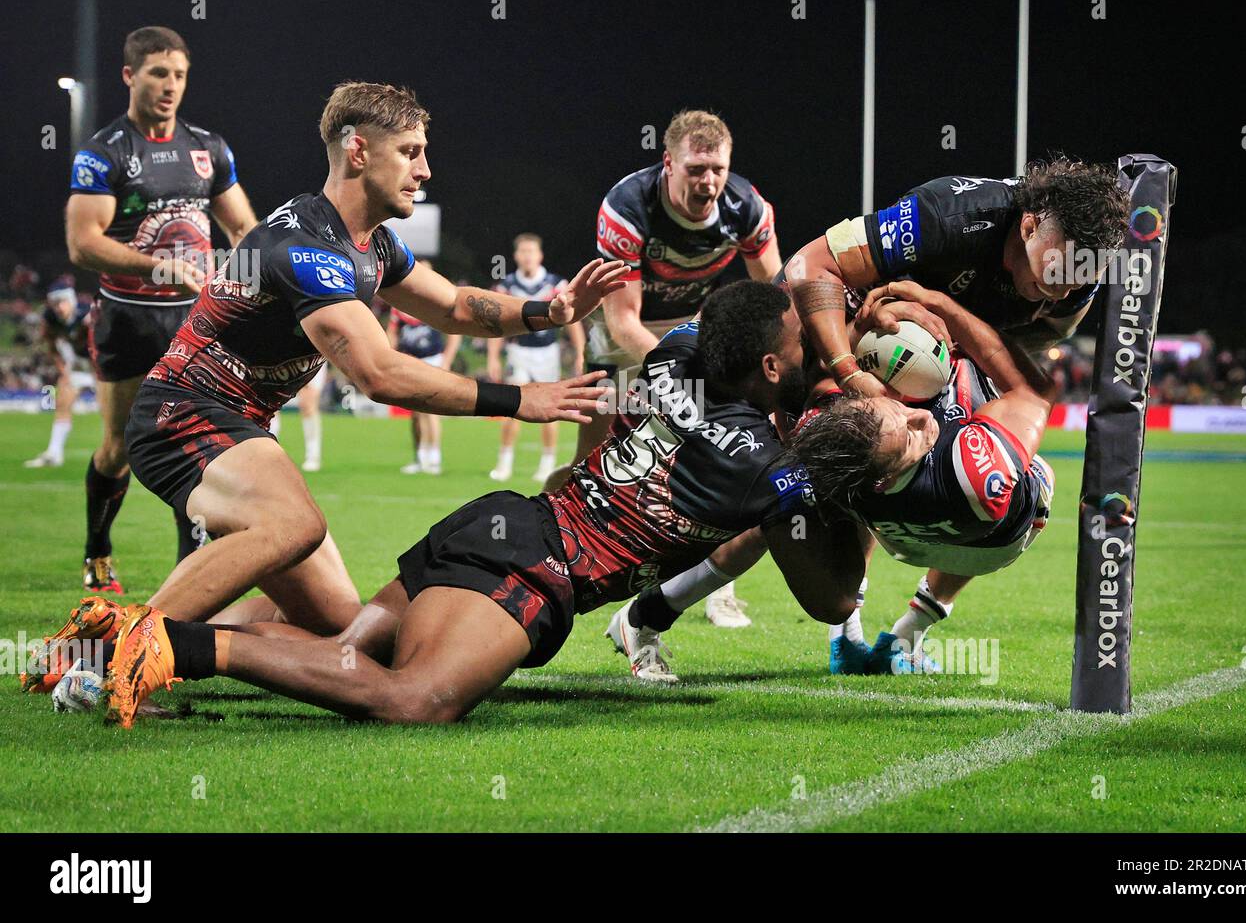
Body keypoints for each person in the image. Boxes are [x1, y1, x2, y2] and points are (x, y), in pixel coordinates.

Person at [99, 280, 865, 727]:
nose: (823, 348)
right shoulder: (768, 469)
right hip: (533, 566)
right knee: (415, 700)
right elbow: (832, 600)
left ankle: (136, 634)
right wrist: (852, 471)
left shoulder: (678, 356)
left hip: (505, 523)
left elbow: (677, 351)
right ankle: (178, 647)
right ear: (769, 366)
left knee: (353, 651)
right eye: (808, 343)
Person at [88, 81, 621, 641]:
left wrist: (549, 311)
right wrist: (517, 400)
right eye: (410, 153)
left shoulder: (373, 242)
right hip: (184, 414)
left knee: (342, 629)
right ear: (359, 151)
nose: (426, 170)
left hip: (236, 422)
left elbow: (453, 305)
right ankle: (117, 661)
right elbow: (379, 374)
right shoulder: (306, 248)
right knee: (293, 525)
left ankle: (112, 644)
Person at [622, 159, 1128, 669]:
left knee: (1011, 491)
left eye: (1081, 279)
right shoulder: (952, 214)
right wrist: (852, 368)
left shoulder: (1076, 272)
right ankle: (654, 612)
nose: (1064, 290)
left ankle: (900, 636)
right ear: (1028, 226)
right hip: (824, 351)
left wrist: (943, 324)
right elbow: (809, 267)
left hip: (925, 367)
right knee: (792, 500)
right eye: (1055, 271)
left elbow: (1028, 346)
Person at [547, 109, 782, 629]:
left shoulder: (747, 207)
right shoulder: (628, 207)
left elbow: (776, 295)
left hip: (697, 329)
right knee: (593, 466)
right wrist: (679, 381)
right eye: (696, 169)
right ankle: (550, 546)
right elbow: (623, 318)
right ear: (668, 163)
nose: (709, 181)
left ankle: (716, 589)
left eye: (717, 169)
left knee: (712, 460)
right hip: (622, 331)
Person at [66, 26, 258, 589]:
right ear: (129, 76)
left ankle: (188, 574)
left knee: (196, 445)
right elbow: (83, 242)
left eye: (178, 75)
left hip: (195, 324)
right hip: (128, 319)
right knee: (119, 449)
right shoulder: (104, 154)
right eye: (157, 73)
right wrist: (156, 266)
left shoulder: (208, 149)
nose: (170, 85)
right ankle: (98, 550)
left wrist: (251, 285)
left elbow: (244, 227)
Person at [786, 280, 1059, 671]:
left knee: (847, 470)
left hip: (895, 535)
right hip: (988, 540)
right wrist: (941, 304)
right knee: (1038, 474)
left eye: (897, 410)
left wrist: (857, 345)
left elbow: (821, 379)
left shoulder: (824, 438)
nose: (920, 419)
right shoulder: (975, 470)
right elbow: (1036, 391)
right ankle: (907, 637)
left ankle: (846, 635)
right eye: (909, 436)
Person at [487, 233, 584, 483]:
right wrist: (493, 358)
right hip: (519, 351)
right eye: (523, 252)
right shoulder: (505, 286)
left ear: (540, 255)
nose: (528, 256)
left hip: (547, 352)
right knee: (512, 406)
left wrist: (580, 352)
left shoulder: (556, 285)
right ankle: (504, 461)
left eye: (532, 251)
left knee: (551, 408)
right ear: (516, 256)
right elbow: (495, 325)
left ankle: (548, 464)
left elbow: (572, 321)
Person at [386, 279, 461, 474]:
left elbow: (455, 332)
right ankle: (420, 457)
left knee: (431, 410)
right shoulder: (400, 306)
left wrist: (447, 359)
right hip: (410, 361)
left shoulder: (435, 303)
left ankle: (434, 457)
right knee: (416, 413)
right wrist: (388, 355)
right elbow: (392, 334)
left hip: (433, 360)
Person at [24, 280, 94, 469]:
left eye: (62, 301)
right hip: (79, 365)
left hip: (102, 365)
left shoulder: (89, 313)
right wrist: (63, 369)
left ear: (71, 300)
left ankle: (127, 452)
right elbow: (50, 344)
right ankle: (54, 453)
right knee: (62, 403)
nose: (58, 307)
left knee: (112, 412)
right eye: (54, 303)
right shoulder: (50, 318)